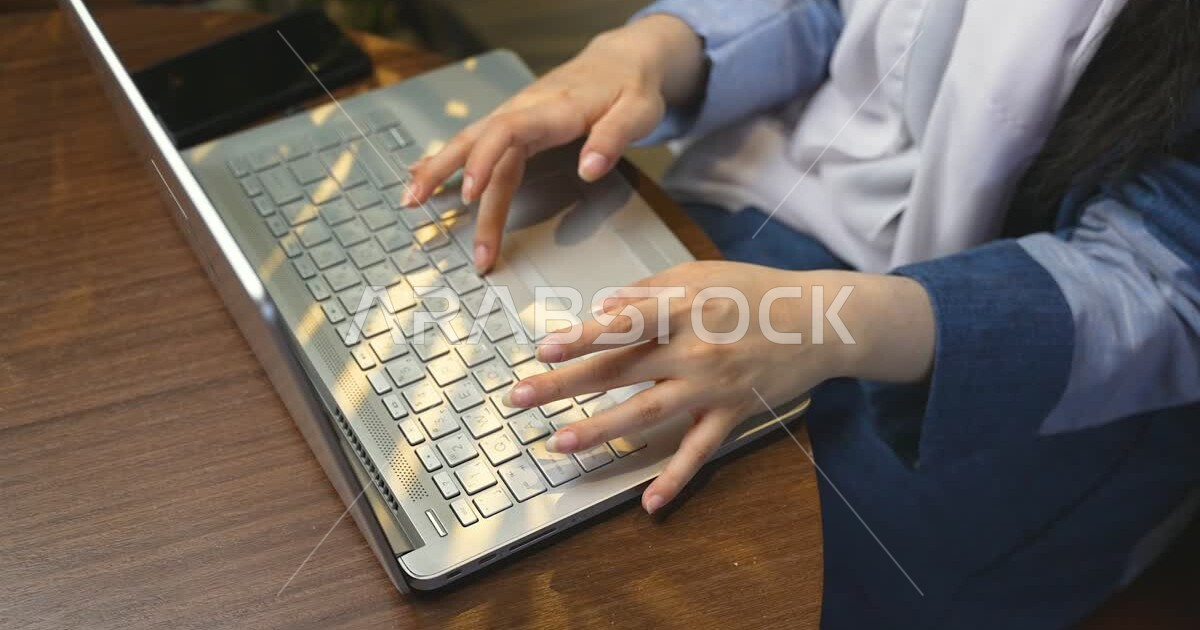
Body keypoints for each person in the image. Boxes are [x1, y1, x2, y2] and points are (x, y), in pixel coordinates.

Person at [405, 1, 1200, 626]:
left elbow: (1160, 284)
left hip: (1036, 358)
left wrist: (827, 323)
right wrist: (645, 52)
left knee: (688, 577)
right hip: (785, 198)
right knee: (516, 447)